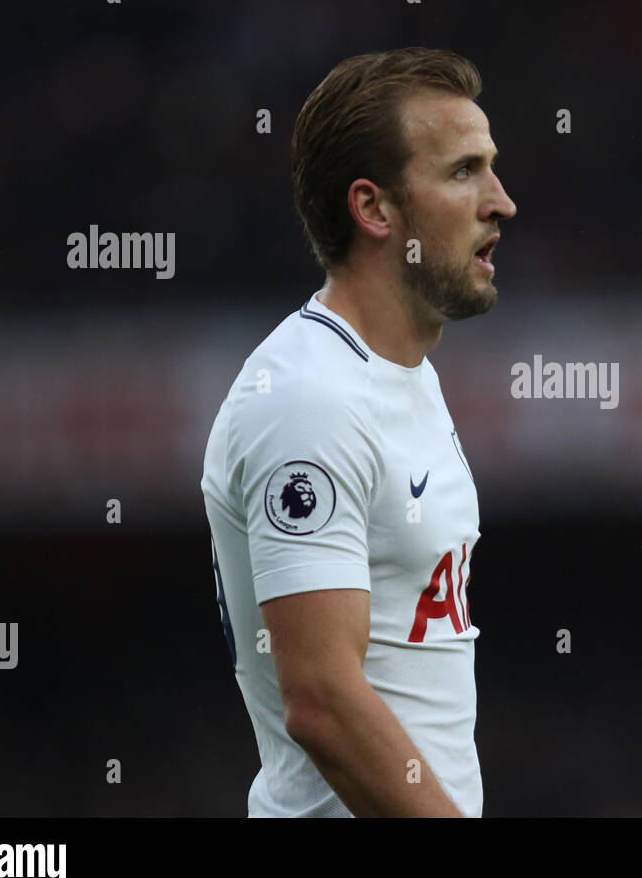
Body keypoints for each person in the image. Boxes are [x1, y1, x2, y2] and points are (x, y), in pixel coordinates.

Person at [200, 47, 516, 817]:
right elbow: (323, 702)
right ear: (374, 210)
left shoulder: (402, 375)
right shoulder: (309, 398)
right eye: (462, 172)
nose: (501, 201)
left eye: (492, 167)